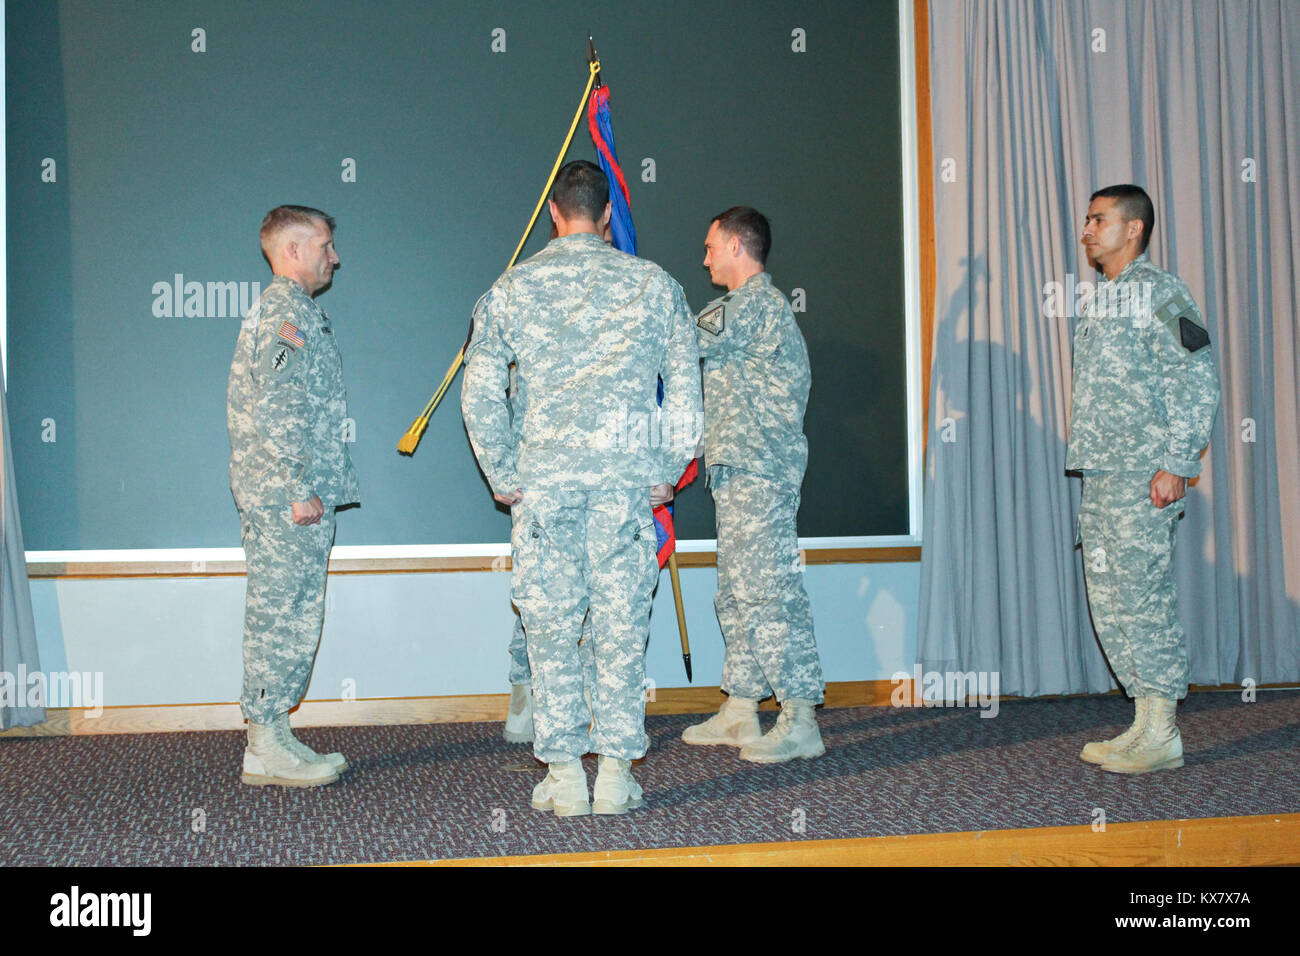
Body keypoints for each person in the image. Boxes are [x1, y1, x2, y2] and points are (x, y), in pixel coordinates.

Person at [462, 160, 701, 816]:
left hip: (546, 489)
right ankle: (617, 774)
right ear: (604, 217)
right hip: (625, 488)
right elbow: (685, 380)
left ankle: (565, 774)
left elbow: (479, 387)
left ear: (553, 214)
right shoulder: (654, 285)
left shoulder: (512, 288)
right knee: (622, 625)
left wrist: (503, 473)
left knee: (551, 626)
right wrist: (669, 463)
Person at [1069, 184, 1220, 774]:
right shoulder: (1100, 298)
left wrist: (1178, 464)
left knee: (1143, 598)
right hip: (1104, 474)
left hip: (1143, 475)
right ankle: (1141, 722)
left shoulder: (1161, 292)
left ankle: (1163, 731)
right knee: (1110, 601)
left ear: (1133, 228)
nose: (1087, 230)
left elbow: (1195, 379)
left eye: (1099, 220)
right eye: (1086, 220)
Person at [680, 207, 826, 762]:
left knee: (768, 592)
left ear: (738, 246)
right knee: (738, 593)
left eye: (711, 247)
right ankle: (743, 709)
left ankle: (800, 717)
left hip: (759, 471)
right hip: (738, 469)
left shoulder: (754, 306)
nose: (705, 258)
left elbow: (679, 341)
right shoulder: (742, 312)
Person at [227, 205, 359, 787]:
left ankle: (274, 734)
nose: (335, 256)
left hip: (289, 495)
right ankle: (263, 745)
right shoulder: (286, 314)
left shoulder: (297, 312)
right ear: (295, 250)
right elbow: (278, 403)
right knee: (280, 614)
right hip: (286, 498)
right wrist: (298, 485)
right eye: (326, 245)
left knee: (295, 612)